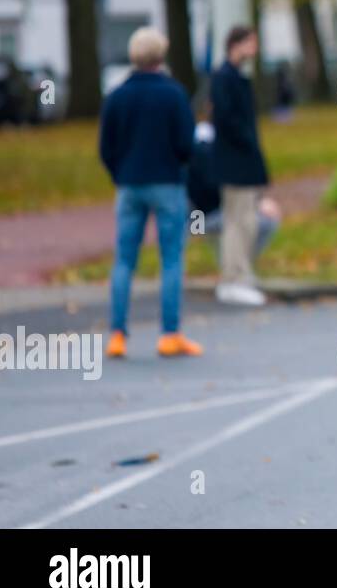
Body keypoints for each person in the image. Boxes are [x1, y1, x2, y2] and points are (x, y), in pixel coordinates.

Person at [97, 27, 202, 358]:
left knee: (125, 259)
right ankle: (170, 334)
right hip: (167, 182)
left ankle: (117, 334)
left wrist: (120, 173)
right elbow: (188, 143)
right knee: (171, 258)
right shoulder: (174, 95)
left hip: (129, 185)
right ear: (162, 55)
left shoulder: (117, 96)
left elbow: (106, 146)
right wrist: (179, 164)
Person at [211, 25, 270, 306]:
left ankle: (240, 273)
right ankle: (234, 277)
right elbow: (228, 120)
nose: (254, 50)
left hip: (241, 161)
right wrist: (247, 144)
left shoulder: (232, 78)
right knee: (238, 221)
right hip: (236, 163)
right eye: (250, 43)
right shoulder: (225, 79)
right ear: (237, 44)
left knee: (245, 220)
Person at [188, 120, 281, 264]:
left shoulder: (187, 155)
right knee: (265, 221)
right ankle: (238, 265)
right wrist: (257, 204)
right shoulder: (213, 155)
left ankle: (231, 264)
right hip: (208, 218)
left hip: (195, 219)